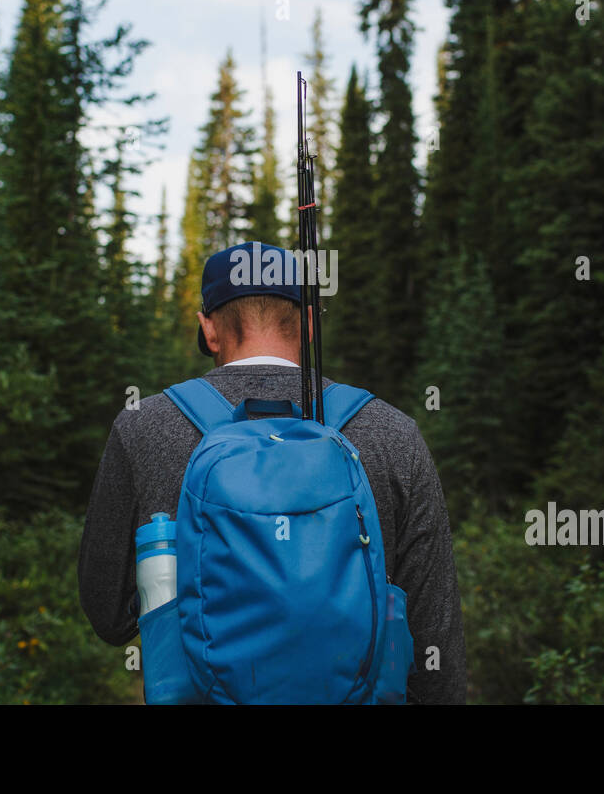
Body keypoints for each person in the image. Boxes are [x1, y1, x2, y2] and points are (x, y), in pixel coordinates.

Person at [78, 241, 467, 703]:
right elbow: (435, 645)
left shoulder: (143, 426)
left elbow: (109, 616)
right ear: (307, 326)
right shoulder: (393, 432)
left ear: (208, 330)